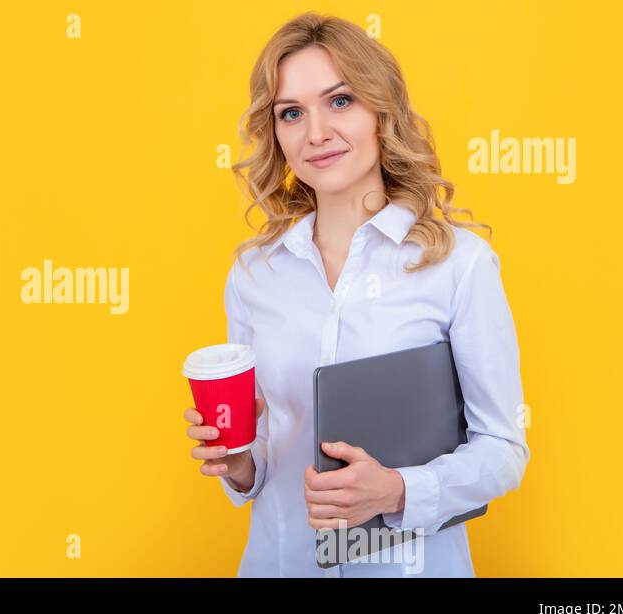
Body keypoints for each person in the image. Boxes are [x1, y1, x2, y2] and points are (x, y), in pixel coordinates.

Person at [183, 12, 529, 577]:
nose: (315, 132)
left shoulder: (458, 266)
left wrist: (396, 491)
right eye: (291, 113)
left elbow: (503, 449)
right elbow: (268, 452)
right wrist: (240, 461)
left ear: (380, 111)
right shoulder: (254, 275)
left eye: (339, 101)